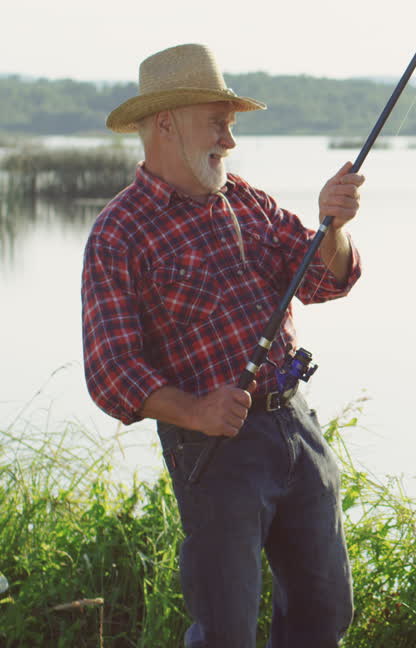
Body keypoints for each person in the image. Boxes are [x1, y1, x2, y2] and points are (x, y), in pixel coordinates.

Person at [81, 43, 365, 647]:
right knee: (224, 633)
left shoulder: (249, 200)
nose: (229, 141)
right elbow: (110, 370)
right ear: (166, 123)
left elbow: (324, 280)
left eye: (230, 125)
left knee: (325, 615)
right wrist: (196, 410)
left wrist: (333, 228)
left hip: (297, 430)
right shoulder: (119, 231)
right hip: (214, 453)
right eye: (218, 123)